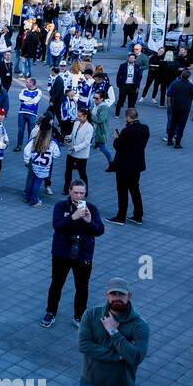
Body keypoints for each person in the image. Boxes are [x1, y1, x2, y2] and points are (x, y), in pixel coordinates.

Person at [43, 180, 105, 329]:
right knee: (56, 284)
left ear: (85, 193)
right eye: (76, 192)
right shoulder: (61, 206)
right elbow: (57, 226)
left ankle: (79, 316)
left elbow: (99, 230)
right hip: (62, 253)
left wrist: (89, 221)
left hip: (83, 254)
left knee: (82, 287)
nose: (78, 196)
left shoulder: (91, 208)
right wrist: (73, 217)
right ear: (70, 191)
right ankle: (50, 312)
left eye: (81, 193)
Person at [107, 108, 149, 225]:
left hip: (124, 166)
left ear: (128, 117)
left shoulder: (127, 131)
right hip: (137, 165)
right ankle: (138, 215)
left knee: (122, 191)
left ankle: (121, 217)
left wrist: (116, 138)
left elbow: (119, 147)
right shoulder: (145, 128)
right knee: (135, 189)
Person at [22, 116, 61, 208]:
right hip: (43, 166)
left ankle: (27, 197)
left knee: (31, 180)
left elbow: (26, 150)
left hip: (33, 163)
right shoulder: (52, 143)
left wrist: (27, 160)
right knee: (37, 183)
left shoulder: (34, 140)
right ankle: (34, 200)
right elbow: (57, 154)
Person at [63, 107, 94, 193]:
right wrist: (68, 137)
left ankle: (85, 190)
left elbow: (86, 143)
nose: (78, 118)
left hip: (81, 155)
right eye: (78, 116)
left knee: (82, 173)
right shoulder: (76, 123)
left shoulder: (89, 127)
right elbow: (73, 135)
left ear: (85, 116)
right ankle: (66, 188)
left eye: (80, 116)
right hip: (71, 152)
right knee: (68, 171)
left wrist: (75, 148)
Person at [90, 91, 114, 167]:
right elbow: (89, 111)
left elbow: (100, 119)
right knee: (85, 145)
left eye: (97, 98)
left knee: (102, 148)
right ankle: (78, 162)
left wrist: (89, 115)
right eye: (94, 97)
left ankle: (111, 163)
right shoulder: (94, 104)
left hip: (100, 131)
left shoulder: (104, 107)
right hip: (92, 129)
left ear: (102, 99)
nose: (95, 100)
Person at [114, 52, 139, 117]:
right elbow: (118, 75)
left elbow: (138, 77)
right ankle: (117, 114)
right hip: (124, 85)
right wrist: (119, 85)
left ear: (135, 59)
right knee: (121, 100)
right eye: (130, 58)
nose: (131, 59)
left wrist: (137, 87)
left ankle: (130, 115)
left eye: (132, 58)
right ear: (128, 58)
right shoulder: (123, 65)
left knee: (131, 102)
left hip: (132, 86)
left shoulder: (137, 67)